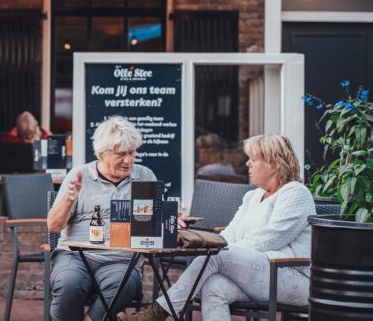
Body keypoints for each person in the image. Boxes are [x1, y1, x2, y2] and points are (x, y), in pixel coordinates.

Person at [119, 134, 315, 321]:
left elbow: (272, 238)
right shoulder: (252, 196)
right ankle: (160, 311)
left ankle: (160, 311)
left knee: (216, 255)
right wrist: (224, 249)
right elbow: (230, 234)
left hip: (290, 277)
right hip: (255, 274)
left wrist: (226, 254)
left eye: (253, 159)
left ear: (273, 162)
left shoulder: (296, 193)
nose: (247, 164)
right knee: (213, 288)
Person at [47, 116, 156, 321]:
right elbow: (53, 226)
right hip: (75, 256)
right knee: (68, 284)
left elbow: (154, 226)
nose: (128, 160)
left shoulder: (145, 176)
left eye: (132, 153)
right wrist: (69, 200)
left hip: (122, 259)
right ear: (103, 153)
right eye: (121, 154)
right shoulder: (78, 175)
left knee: (124, 283)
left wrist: (170, 219)